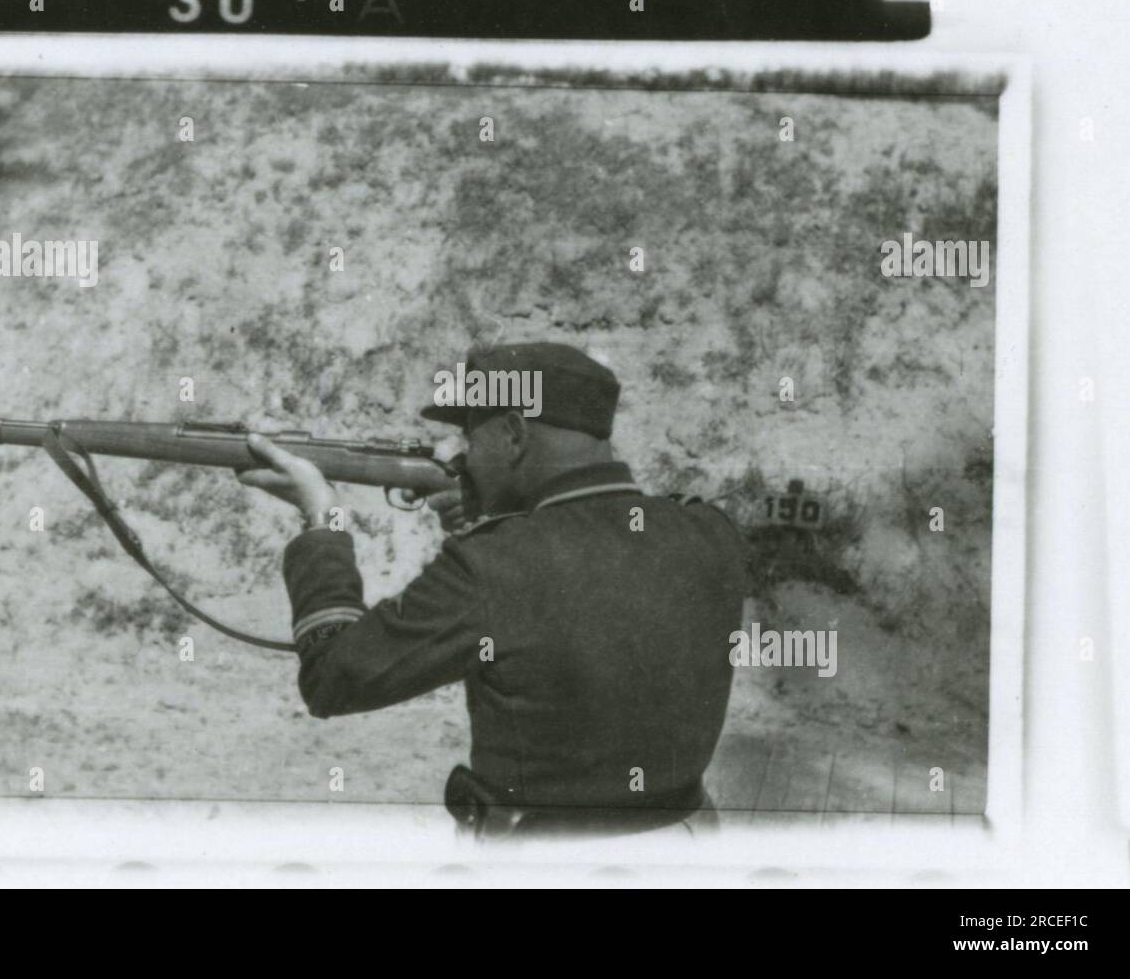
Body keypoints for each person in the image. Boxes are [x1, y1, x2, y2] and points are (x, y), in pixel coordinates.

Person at [237, 342, 747, 838]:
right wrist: (499, 517)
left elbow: (334, 679)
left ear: (513, 434)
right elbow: (596, 574)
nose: (462, 459)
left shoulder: (491, 562)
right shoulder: (710, 531)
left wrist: (322, 519)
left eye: (471, 440)